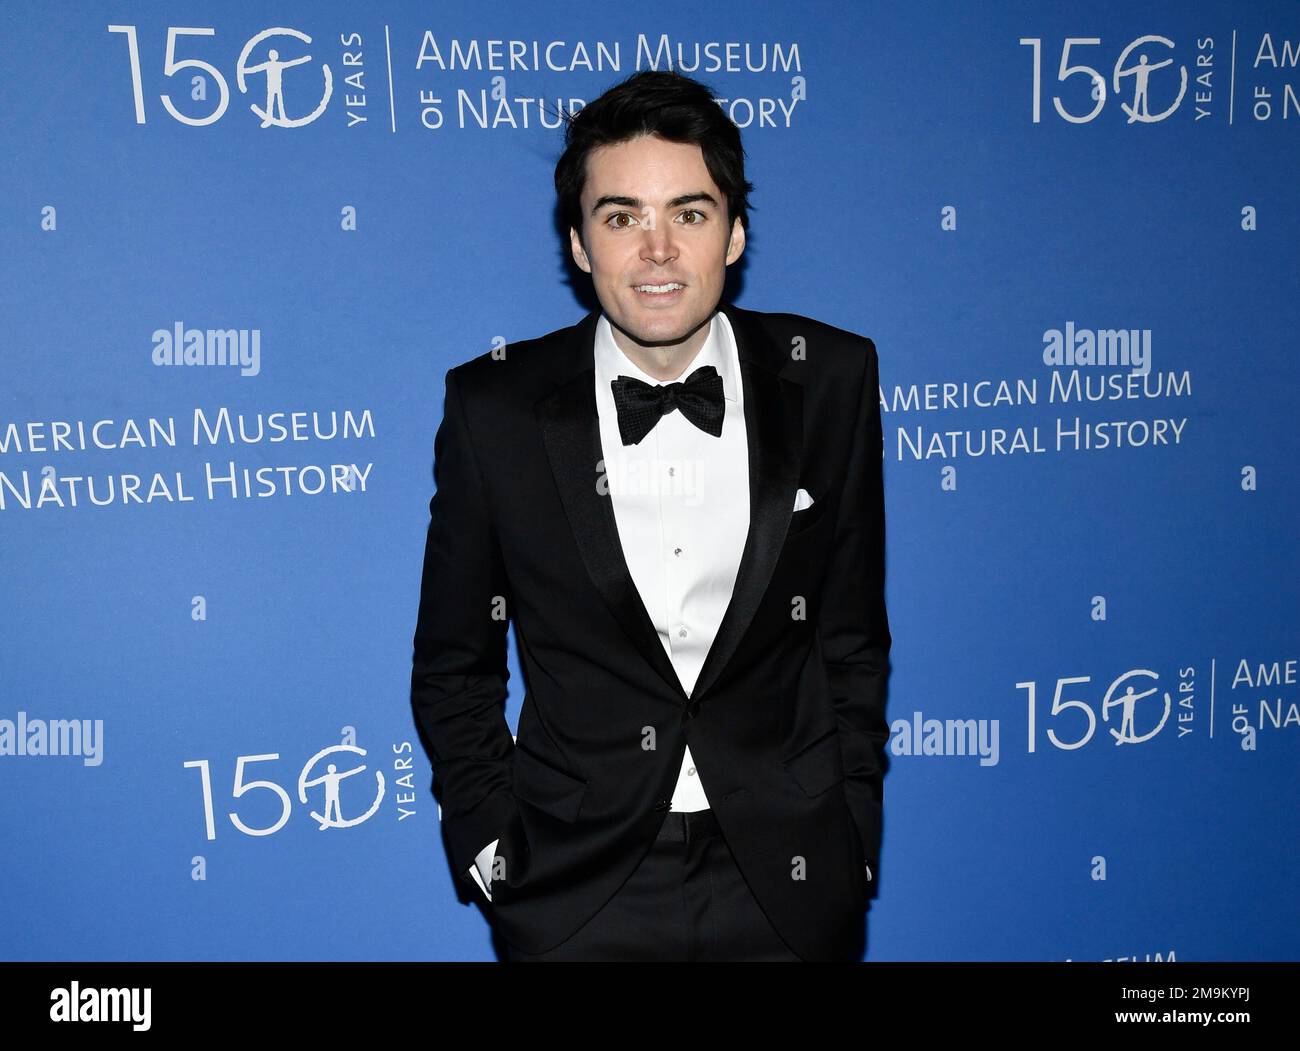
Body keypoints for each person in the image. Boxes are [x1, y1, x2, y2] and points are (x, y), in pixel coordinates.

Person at [410, 69, 891, 962]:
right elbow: (453, 660)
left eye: (691, 213)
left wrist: (852, 822)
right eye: (622, 215)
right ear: (580, 243)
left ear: (737, 231)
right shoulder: (496, 409)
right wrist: (490, 840)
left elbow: (852, 634)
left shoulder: (828, 378)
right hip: (576, 887)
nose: (658, 248)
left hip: (786, 877)